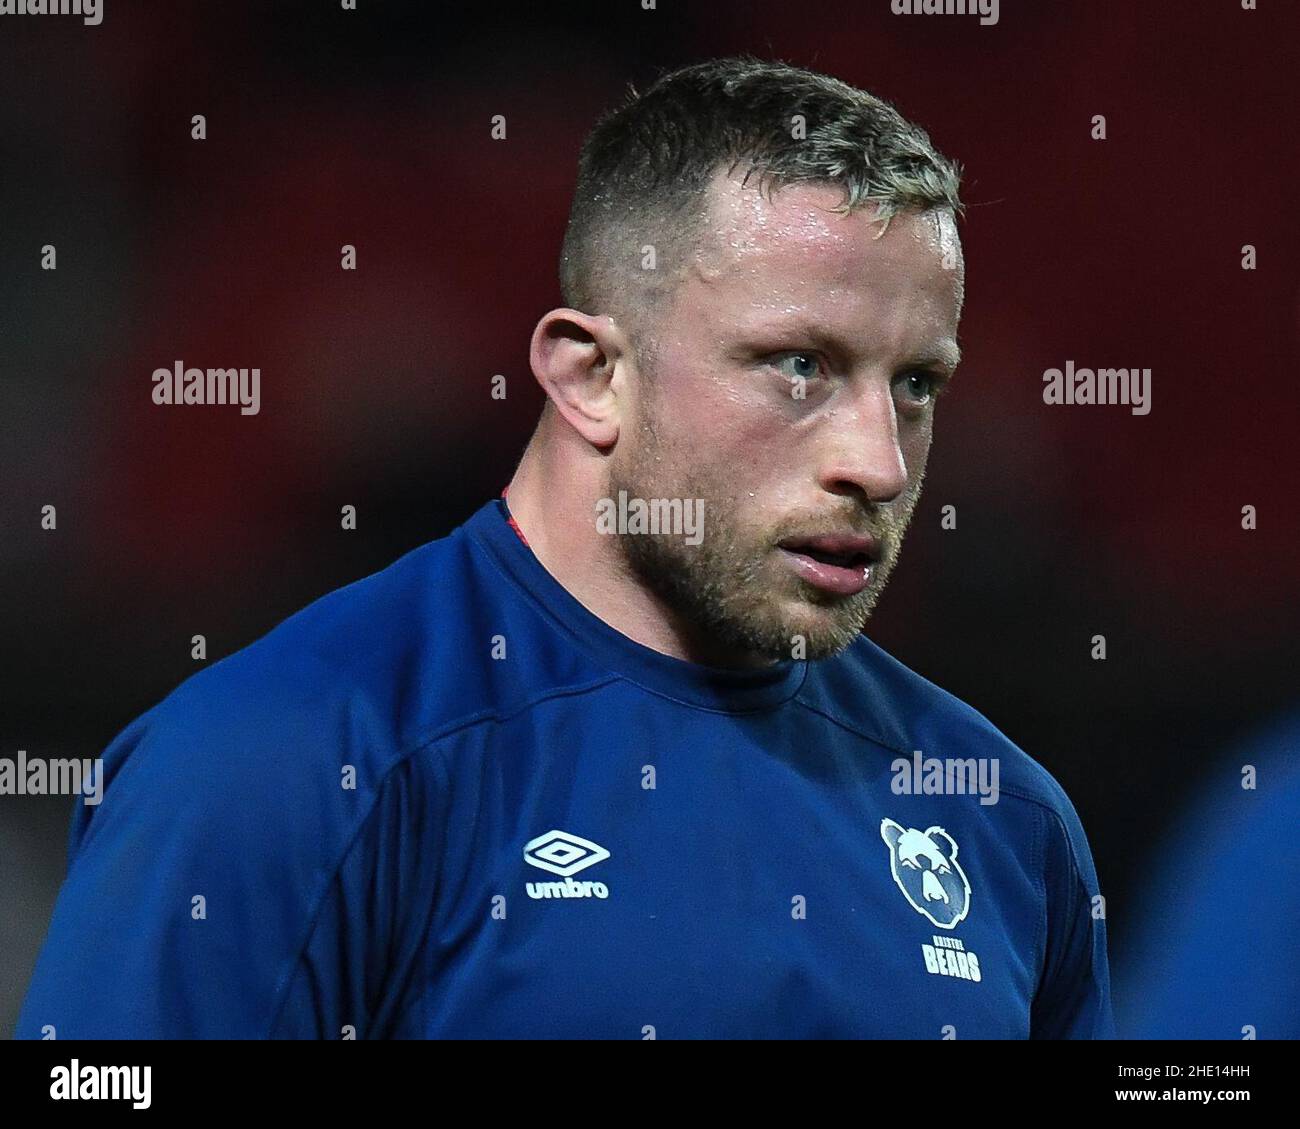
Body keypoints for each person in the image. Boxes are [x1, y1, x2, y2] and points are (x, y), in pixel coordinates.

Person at [17, 56, 1112, 1039]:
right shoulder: (279, 763)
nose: (877, 461)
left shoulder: (999, 819)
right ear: (591, 376)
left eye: (916, 383)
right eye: (798, 366)